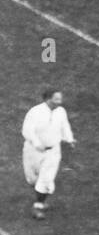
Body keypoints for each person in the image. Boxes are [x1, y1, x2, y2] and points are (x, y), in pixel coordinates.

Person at [22, 88, 76, 220]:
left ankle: (38, 205)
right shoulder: (35, 112)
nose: (60, 102)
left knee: (46, 179)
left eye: (60, 99)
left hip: (53, 152)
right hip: (33, 151)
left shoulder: (61, 112)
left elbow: (64, 126)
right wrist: (36, 143)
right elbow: (27, 130)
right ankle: (40, 195)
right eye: (56, 99)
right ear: (48, 99)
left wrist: (69, 139)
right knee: (32, 179)